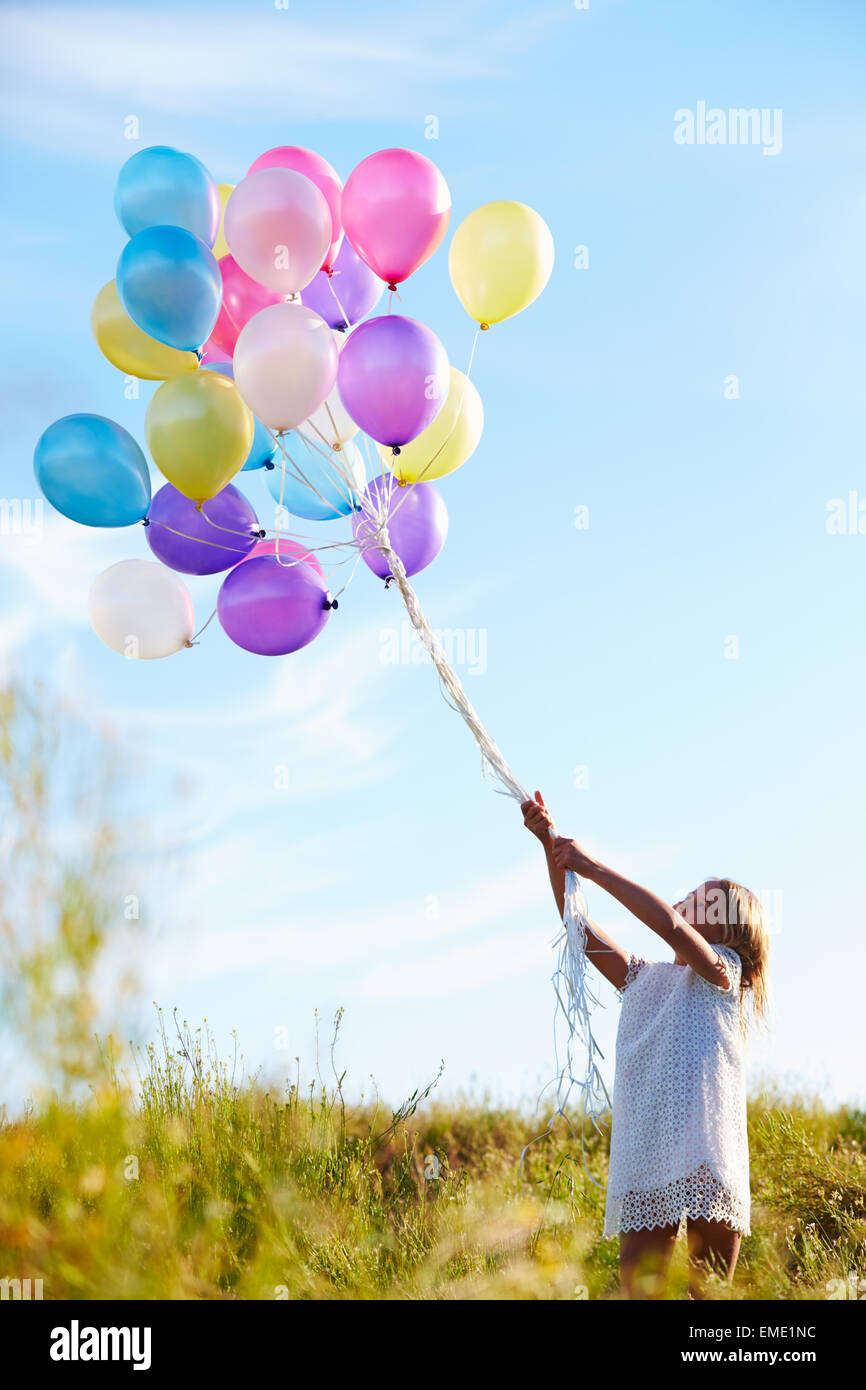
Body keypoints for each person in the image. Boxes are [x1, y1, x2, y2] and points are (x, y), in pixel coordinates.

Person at [521, 791, 770, 1299]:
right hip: (647, 1153)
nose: (686, 899)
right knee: (641, 1293)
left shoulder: (726, 973)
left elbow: (670, 926)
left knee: (707, 1299)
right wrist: (552, 846)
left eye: (704, 898)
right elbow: (578, 928)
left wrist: (594, 867)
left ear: (730, 927)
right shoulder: (644, 980)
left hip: (708, 1154)